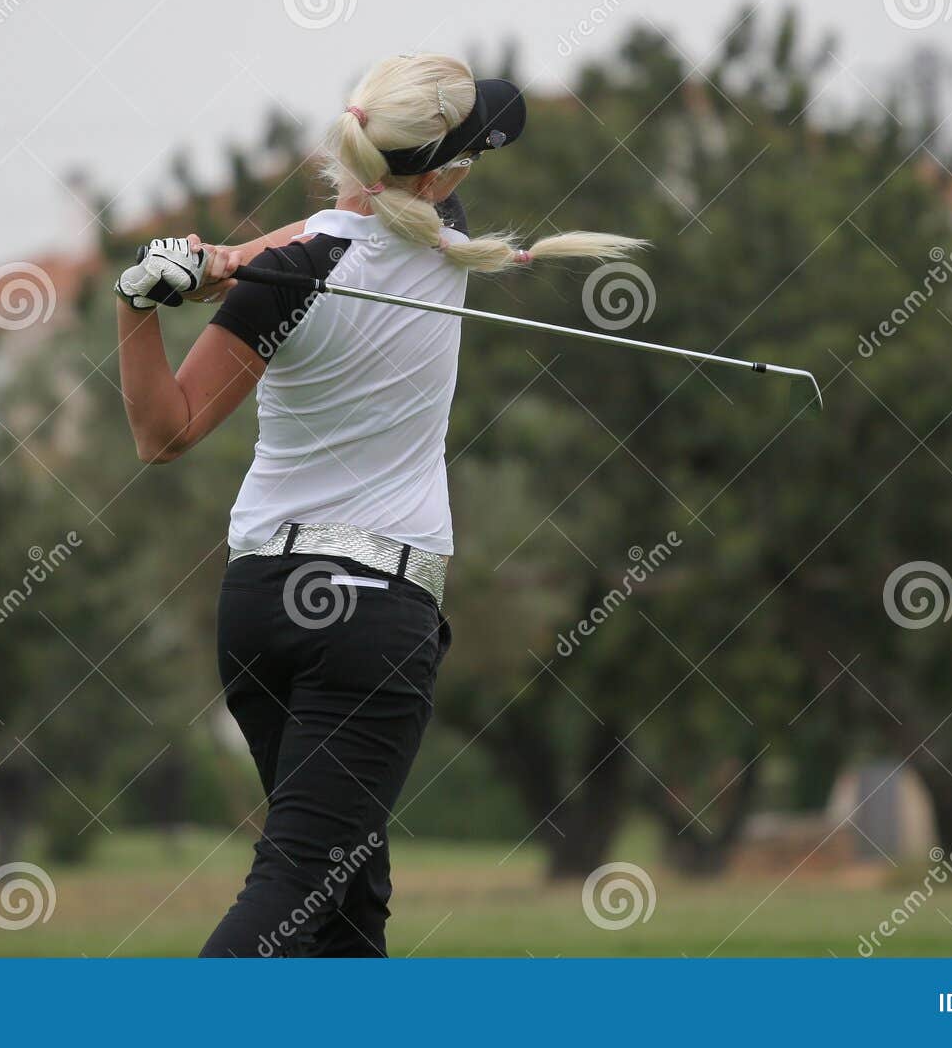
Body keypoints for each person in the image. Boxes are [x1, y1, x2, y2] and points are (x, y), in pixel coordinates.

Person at [113, 53, 643, 956]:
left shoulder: (292, 272)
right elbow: (340, 232)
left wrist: (143, 301)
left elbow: (166, 431)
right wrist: (229, 268)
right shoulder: (444, 236)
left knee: (349, 901)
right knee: (297, 881)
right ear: (438, 178)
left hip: (260, 605)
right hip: (370, 613)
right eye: (466, 155)